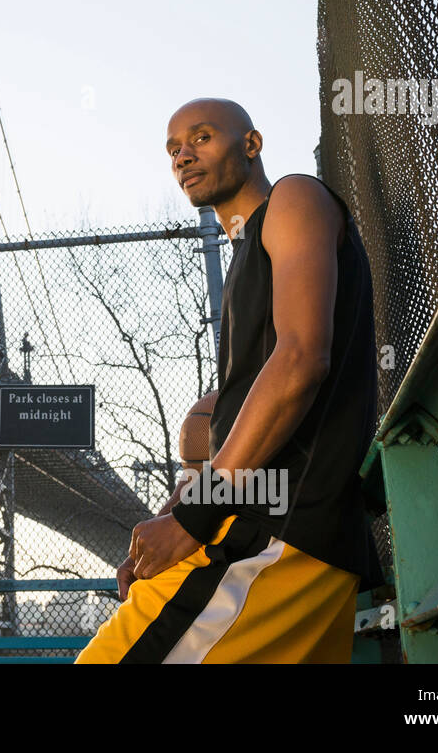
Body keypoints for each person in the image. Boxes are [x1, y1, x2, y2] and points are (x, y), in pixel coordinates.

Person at [75, 98, 383, 663]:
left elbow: (300, 362)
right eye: (173, 149)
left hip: (275, 536)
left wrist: (192, 519)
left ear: (251, 143)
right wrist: (170, 518)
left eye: (202, 137)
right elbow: (248, 409)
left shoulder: (294, 199)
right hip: (280, 537)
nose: (183, 155)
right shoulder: (248, 256)